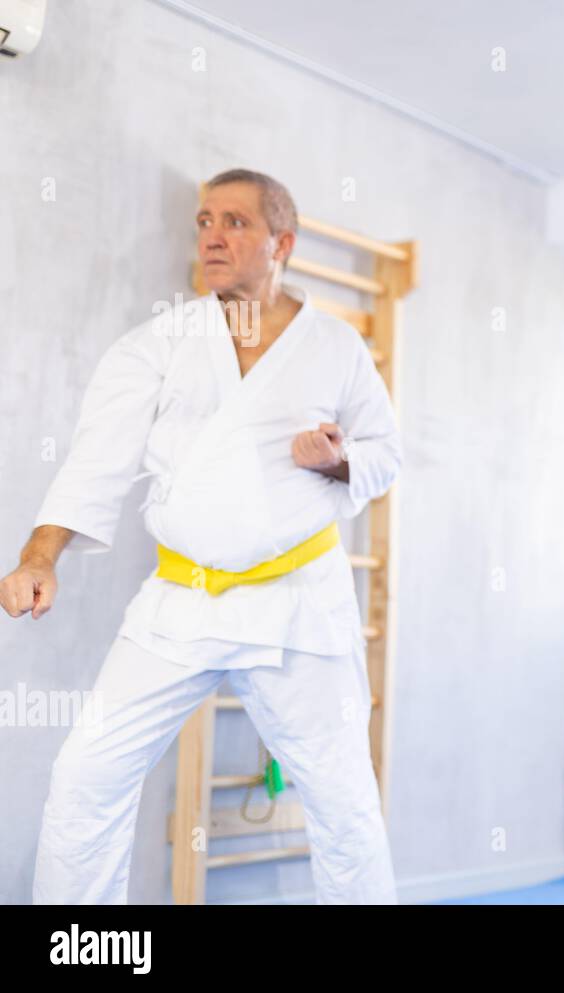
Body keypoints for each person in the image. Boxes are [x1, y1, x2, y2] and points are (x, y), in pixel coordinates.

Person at [2, 168, 401, 904]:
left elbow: (387, 451)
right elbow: (97, 460)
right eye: (204, 220)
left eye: (235, 222)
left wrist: (340, 459)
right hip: (183, 602)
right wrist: (38, 556)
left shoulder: (337, 347)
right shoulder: (157, 343)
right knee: (86, 777)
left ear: (281, 242)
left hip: (298, 603)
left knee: (344, 802)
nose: (213, 235)